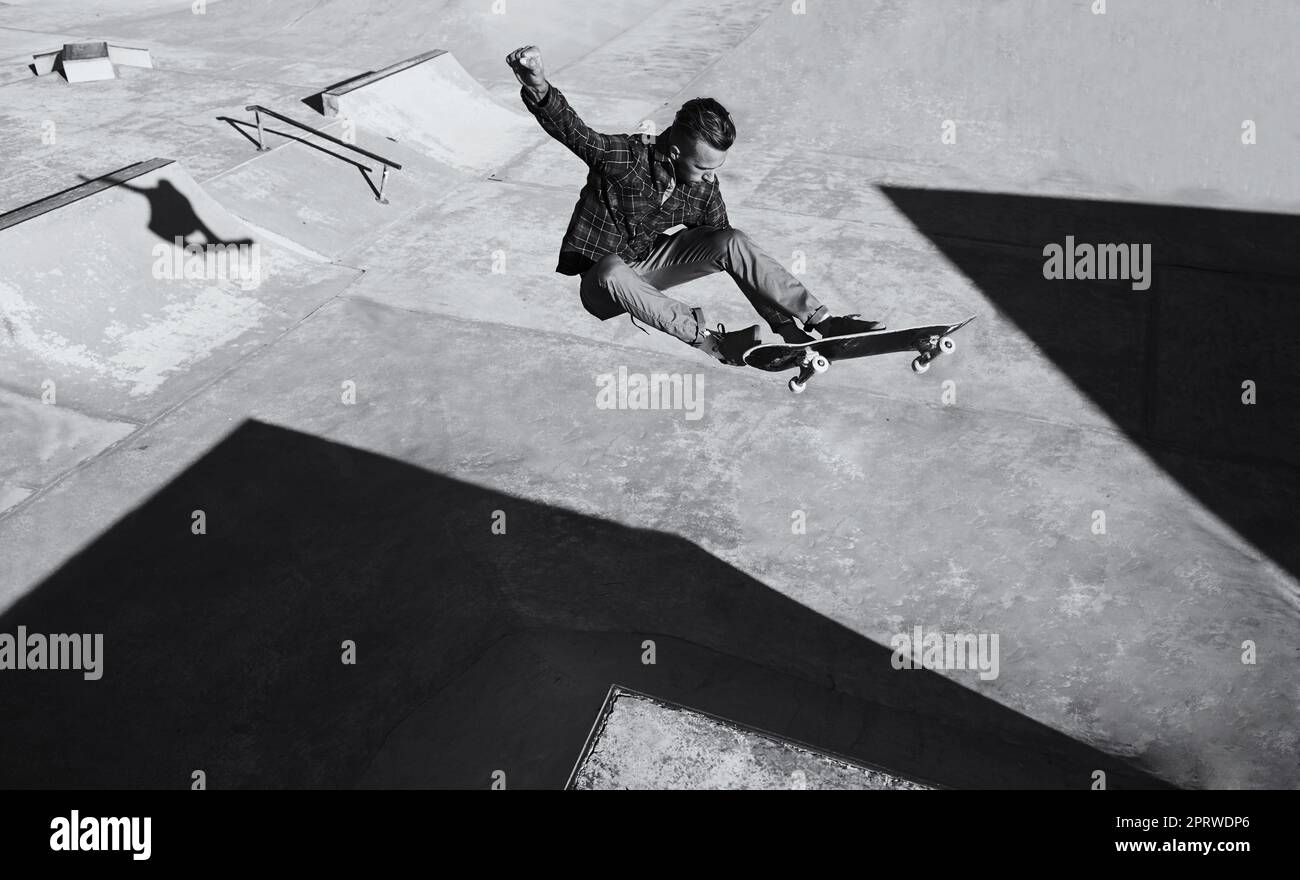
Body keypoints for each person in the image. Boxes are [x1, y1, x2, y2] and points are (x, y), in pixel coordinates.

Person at [506, 45, 883, 365]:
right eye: (703, 167)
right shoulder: (624, 158)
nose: (709, 177)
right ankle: (712, 342)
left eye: (716, 169)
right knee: (611, 269)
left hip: (649, 268)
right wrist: (536, 83)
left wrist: (784, 327)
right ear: (673, 152)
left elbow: (742, 264)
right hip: (601, 286)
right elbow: (575, 132)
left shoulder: (704, 190)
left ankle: (823, 322)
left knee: (729, 238)